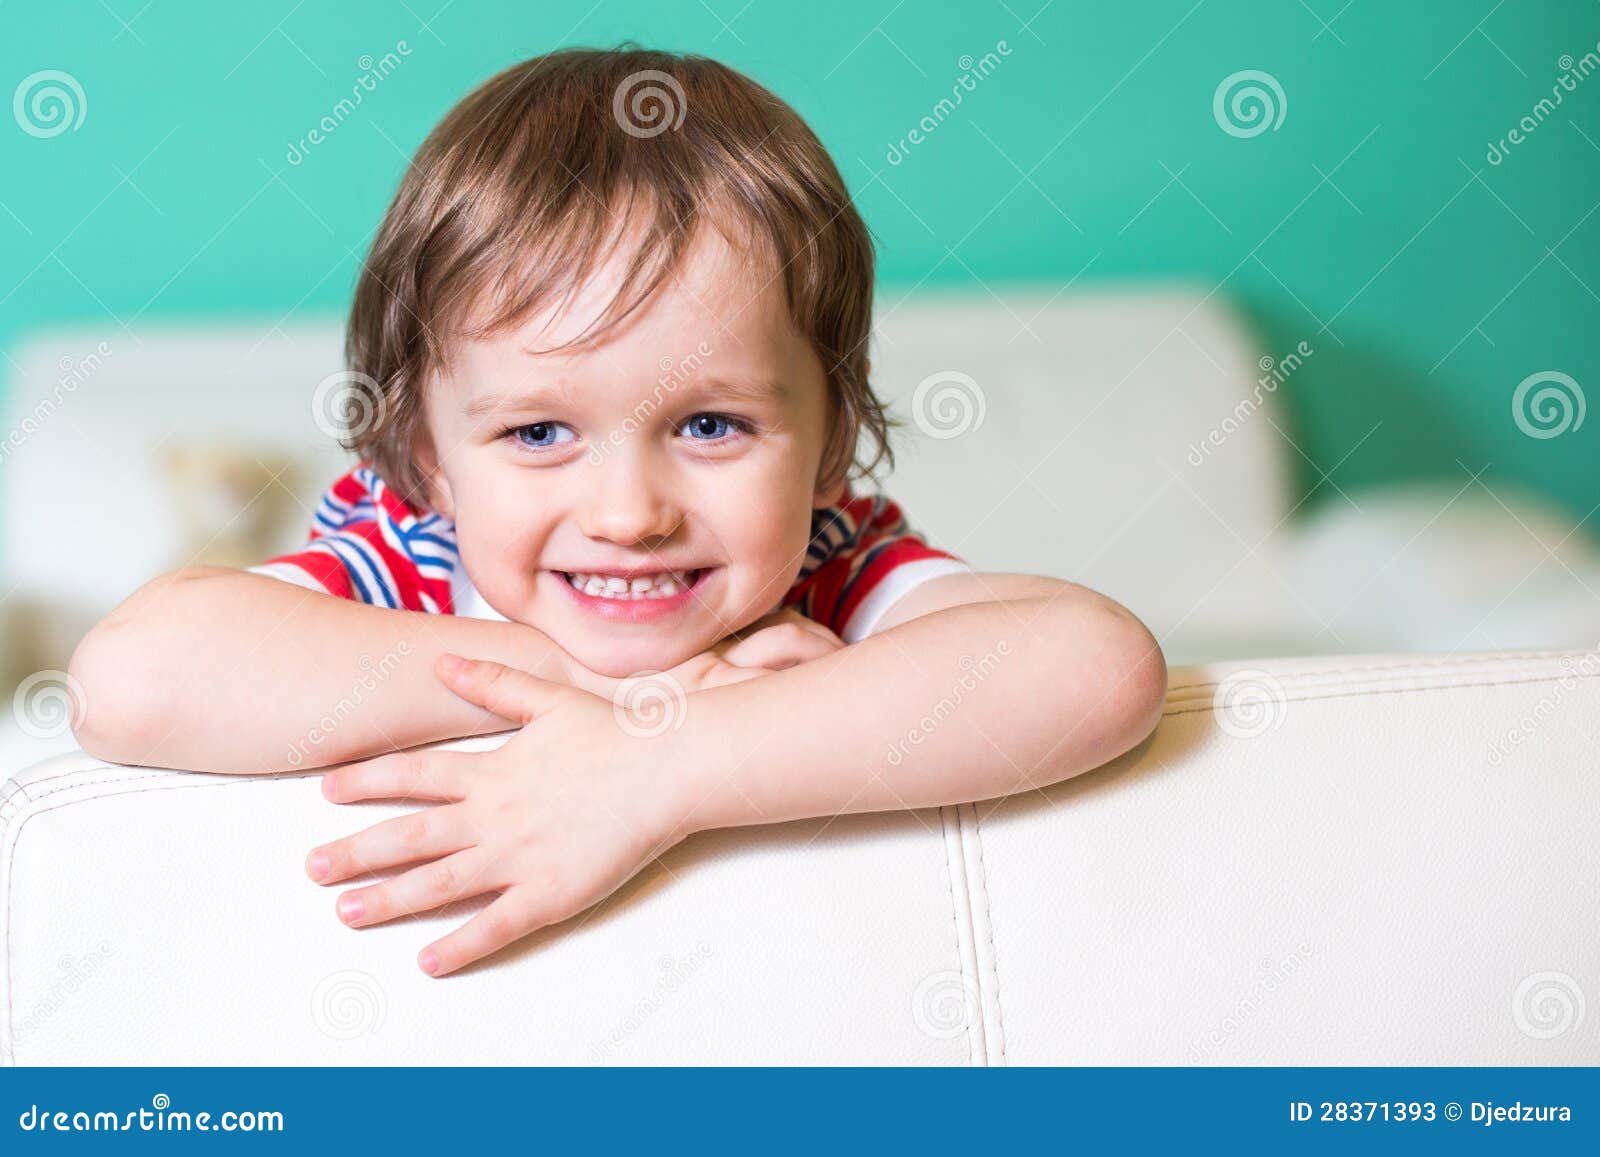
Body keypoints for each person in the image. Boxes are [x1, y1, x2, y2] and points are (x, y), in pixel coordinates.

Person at [69, 47, 1167, 977]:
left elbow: (1096, 666)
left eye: (710, 425)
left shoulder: (830, 564)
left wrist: (666, 760)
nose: (630, 513)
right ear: (427, 460)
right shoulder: (404, 556)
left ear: (831, 443)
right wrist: (611, 688)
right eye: (539, 433)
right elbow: (129, 679)